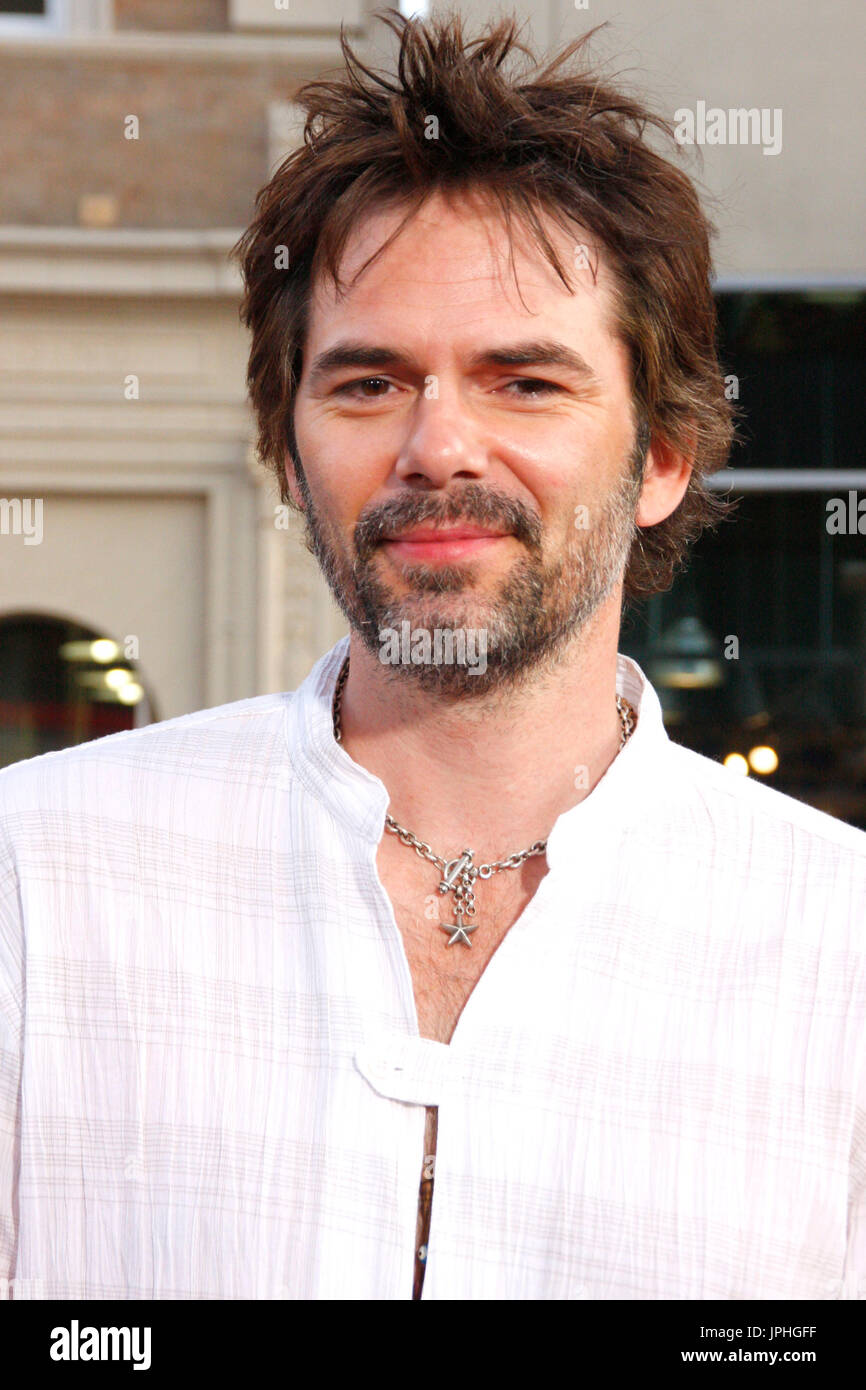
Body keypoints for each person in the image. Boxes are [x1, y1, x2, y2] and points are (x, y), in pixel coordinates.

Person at [1, 8, 864, 1302]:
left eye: (525, 381)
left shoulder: (833, 952)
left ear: (662, 456)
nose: (438, 445)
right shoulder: (34, 883)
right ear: (290, 456)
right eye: (366, 383)